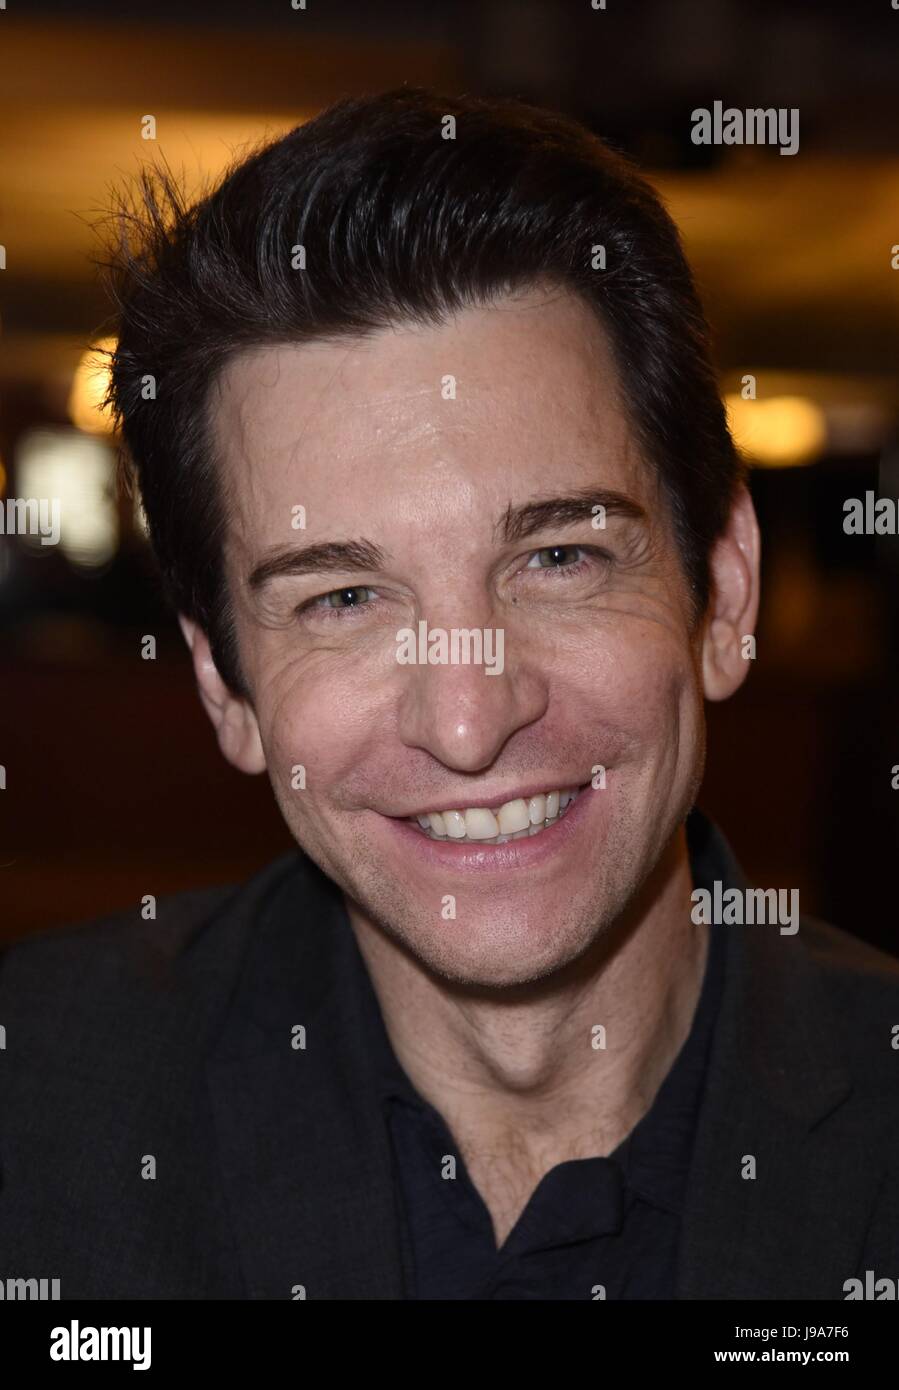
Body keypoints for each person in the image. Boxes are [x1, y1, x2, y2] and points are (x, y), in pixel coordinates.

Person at [2, 87, 898, 1301]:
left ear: (722, 592)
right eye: (343, 600)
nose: (470, 727)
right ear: (224, 683)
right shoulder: (36, 1114)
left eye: (557, 558)